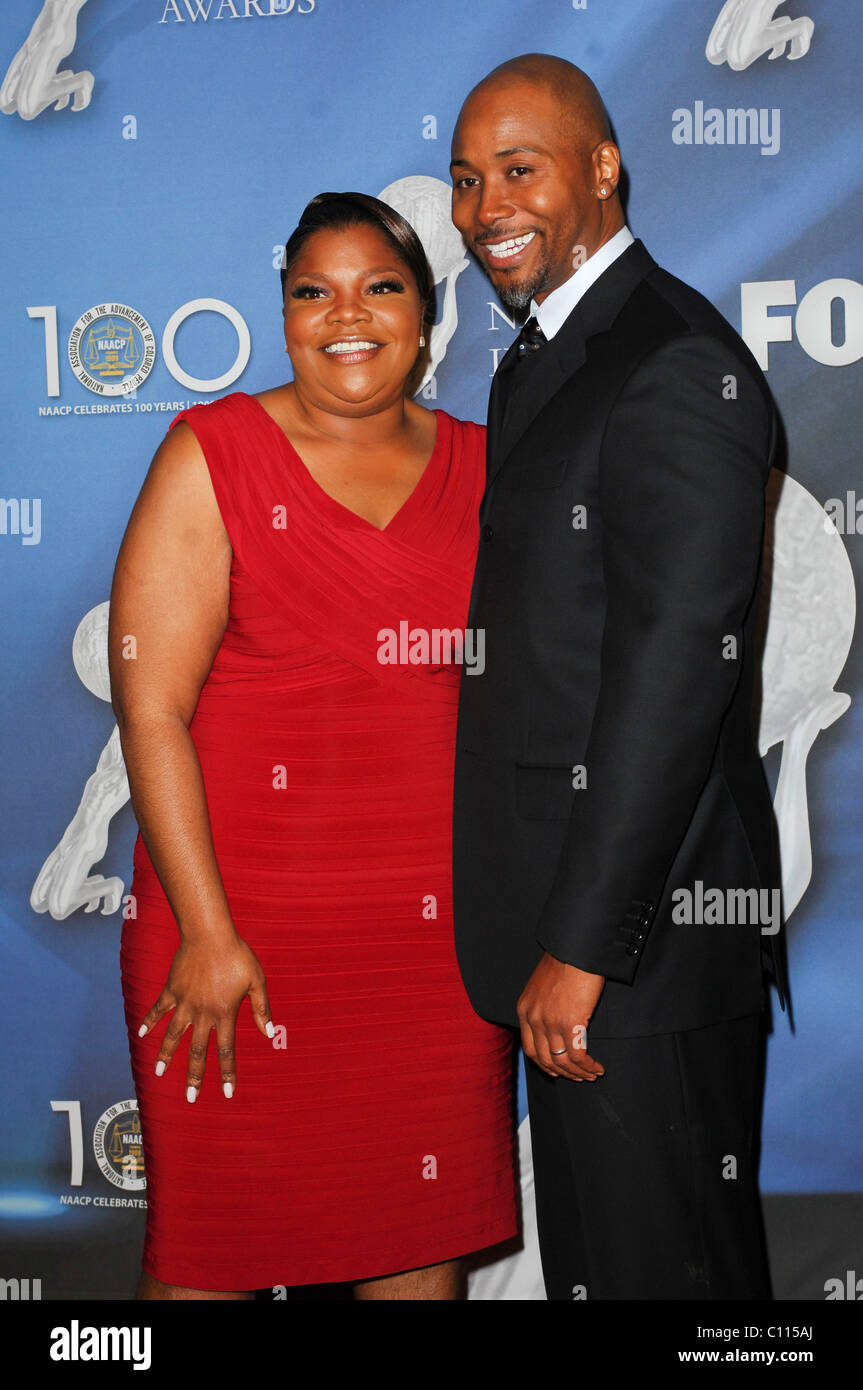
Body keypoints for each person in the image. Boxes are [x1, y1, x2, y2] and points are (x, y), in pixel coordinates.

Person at [110, 191, 516, 1301]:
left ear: (425, 315)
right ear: (283, 313)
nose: (347, 315)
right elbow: (150, 710)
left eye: (379, 287)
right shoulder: (213, 453)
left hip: (429, 957)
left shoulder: (492, 469)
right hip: (233, 938)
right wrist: (205, 931)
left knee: (412, 1263)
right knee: (213, 1260)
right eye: (312, 292)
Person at [449, 54, 787, 1300]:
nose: (487, 206)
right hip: (584, 944)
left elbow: (669, 682)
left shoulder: (669, 362)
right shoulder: (550, 351)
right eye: (466, 179)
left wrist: (584, 947)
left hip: (636, 956)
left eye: (519, 170)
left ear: (603, 170)